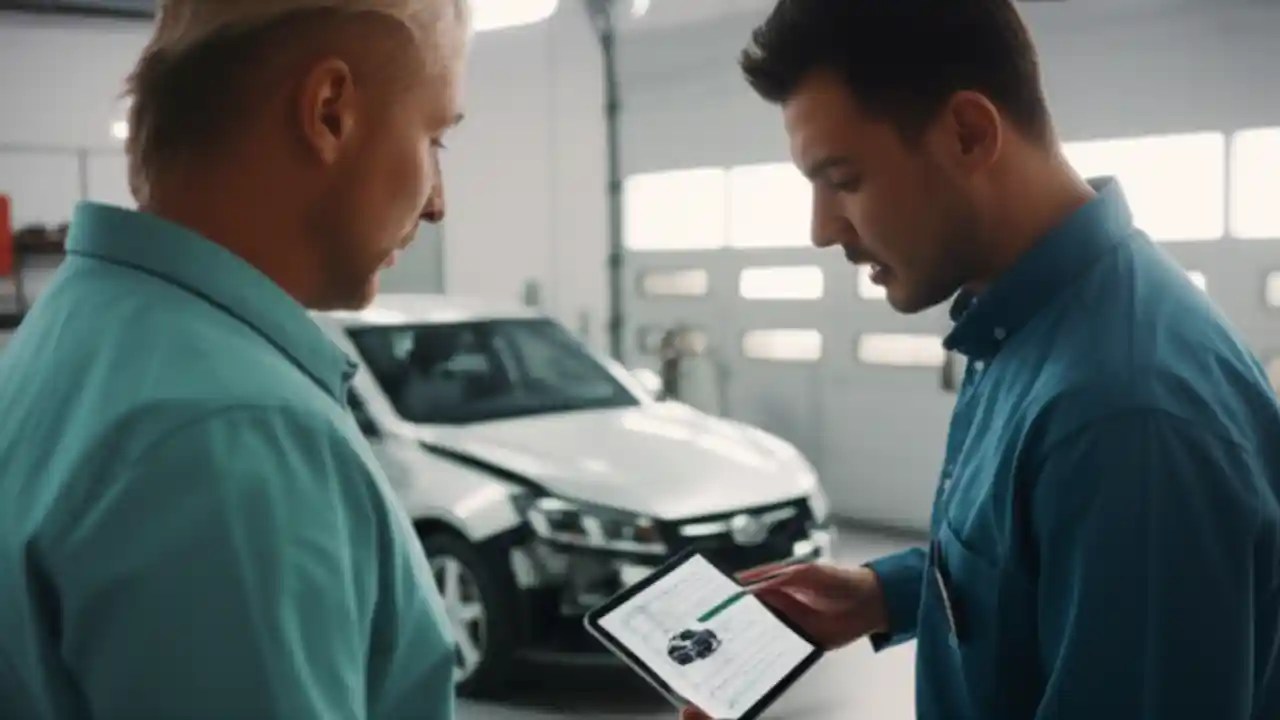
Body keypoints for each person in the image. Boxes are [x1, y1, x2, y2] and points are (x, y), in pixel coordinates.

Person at [684, 0, 1280, 718]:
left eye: (844, 180)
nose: (821, 229)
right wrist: (887, 594)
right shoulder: (1026, 323)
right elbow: (1039, 557)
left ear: (967, 134)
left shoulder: (1125, 417)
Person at [0, 1, 469, 717]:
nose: (437, 202)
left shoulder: (82, 325)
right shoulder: (234, 433)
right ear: (330, 111)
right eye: (434, 136)